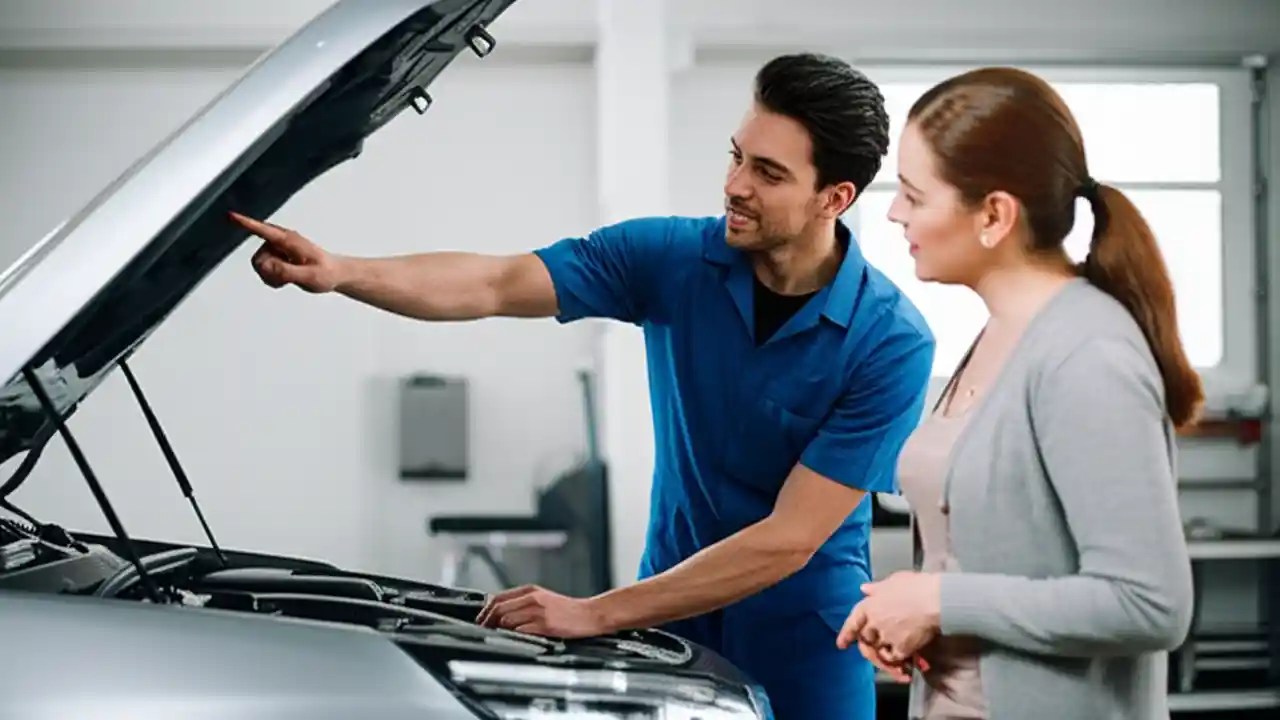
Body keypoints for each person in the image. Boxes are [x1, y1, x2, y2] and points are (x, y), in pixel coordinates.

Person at [229, 53, 935, 719]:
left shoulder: (890, 341)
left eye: (769, 173)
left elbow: (789, 538)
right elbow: (496, 281)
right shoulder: (670, 257)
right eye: (736, 156)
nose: (735, 184)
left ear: (834, 197)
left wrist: (594, 612)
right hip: (670, 620)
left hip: (809, 641)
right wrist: (341, 271)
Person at [835, 66, 1198, 719]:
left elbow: (1150, 603)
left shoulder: (1087, 353)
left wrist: (939, 602)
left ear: (994, 215)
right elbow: (1001, 560)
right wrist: (918, 606)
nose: (893, 211)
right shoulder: (1003, 331)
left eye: (915, 196)